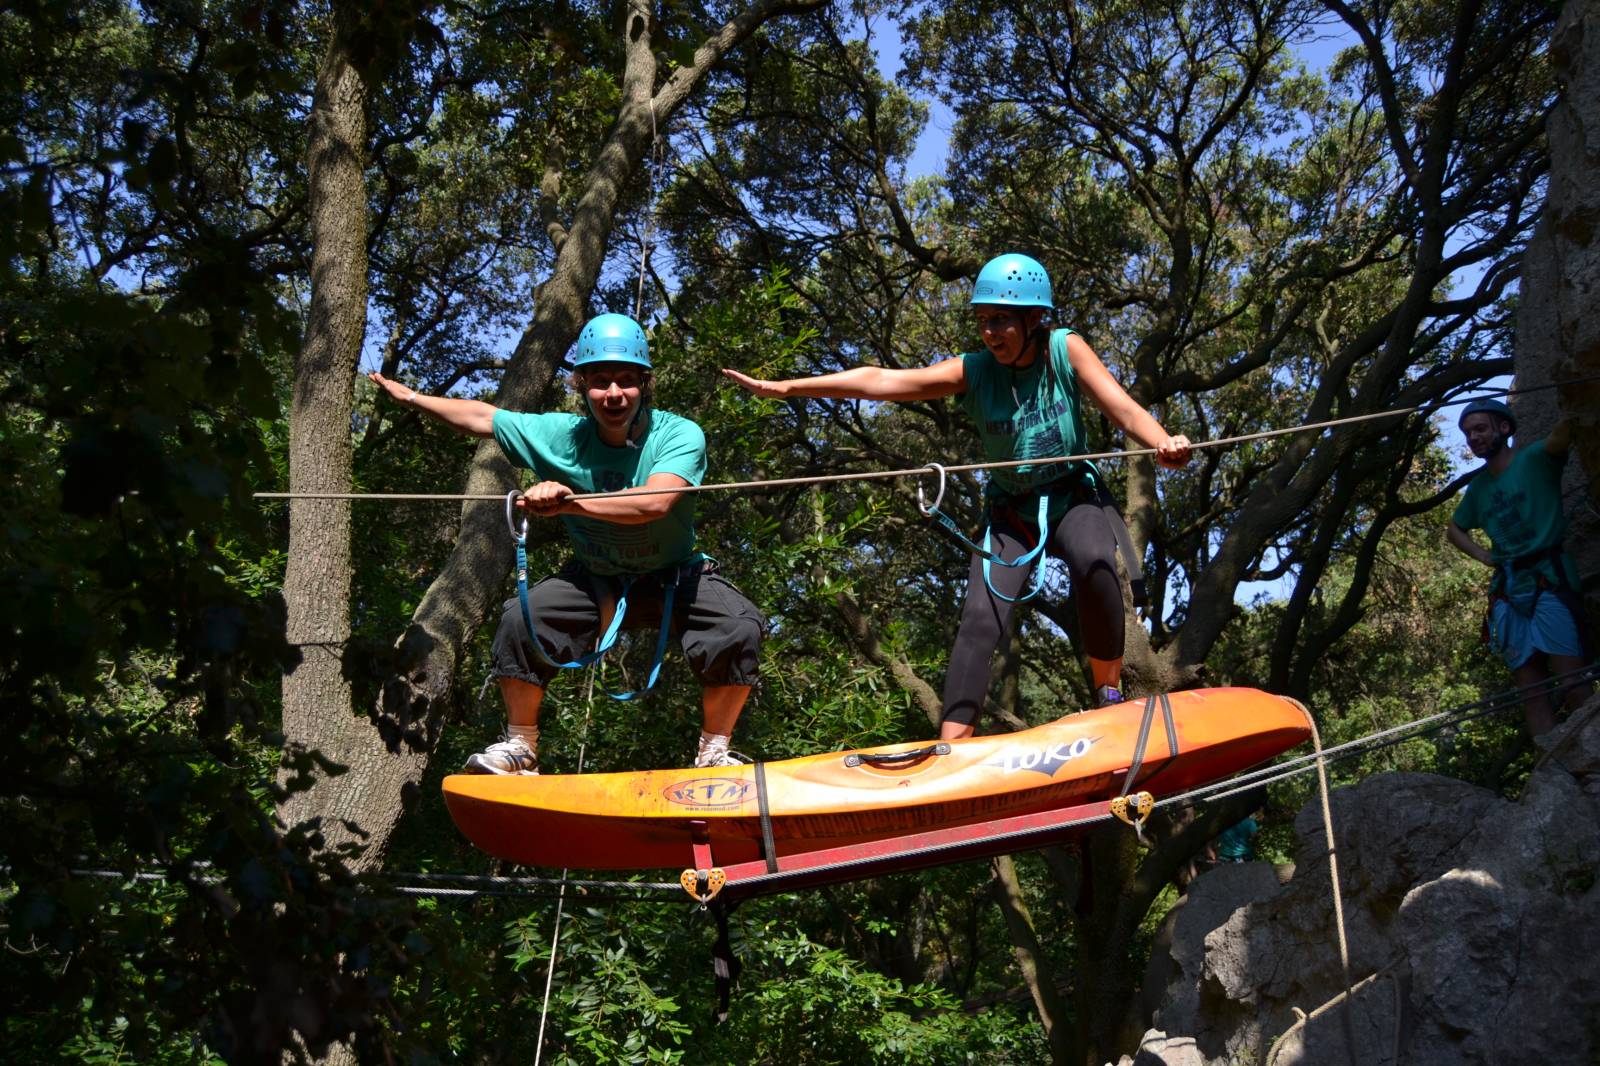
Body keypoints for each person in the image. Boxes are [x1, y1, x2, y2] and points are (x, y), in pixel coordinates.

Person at [722, 253, 1191, 740]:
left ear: (1034, 319)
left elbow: (1121, 406)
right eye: (983, 322)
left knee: (1095, 562)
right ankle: (952, 744)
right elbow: (884, 381)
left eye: (1001, 321)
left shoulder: (1063, 350)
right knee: (979, 619)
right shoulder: (974, 370)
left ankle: (1108, 694)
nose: (989, 333)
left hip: (1072, 494)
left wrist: (1162, 439)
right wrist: (789, 388)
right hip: (1012, 511)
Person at [370, 313, 764, 773]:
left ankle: (713, 753)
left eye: (625, 381)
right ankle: (521, 748)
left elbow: (653, 504)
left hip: (676, 574)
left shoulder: (678, 434)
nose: (613, 394)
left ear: (644, 383)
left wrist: (568, 504)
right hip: (597, 578)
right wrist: (413, 397)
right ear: (580, 385)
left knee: (738, 625)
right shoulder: (559, 436)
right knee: (522, 618)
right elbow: (482, 416)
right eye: (599, 382)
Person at [1446, 398, 1589, 736]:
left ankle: (1593, 760)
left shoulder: (1536, 458)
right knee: (1531, 691)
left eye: (1480, 429)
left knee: (1572, 679)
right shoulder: (1478, 488)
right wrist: (1483, 555)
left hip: (1548, 577)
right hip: (1509, 589)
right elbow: (1454, 530)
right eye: (1468, 434)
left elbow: (1561, 437)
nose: (1473, 438)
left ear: (1504, 428)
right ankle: (1549, 769)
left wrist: (1580, 392)